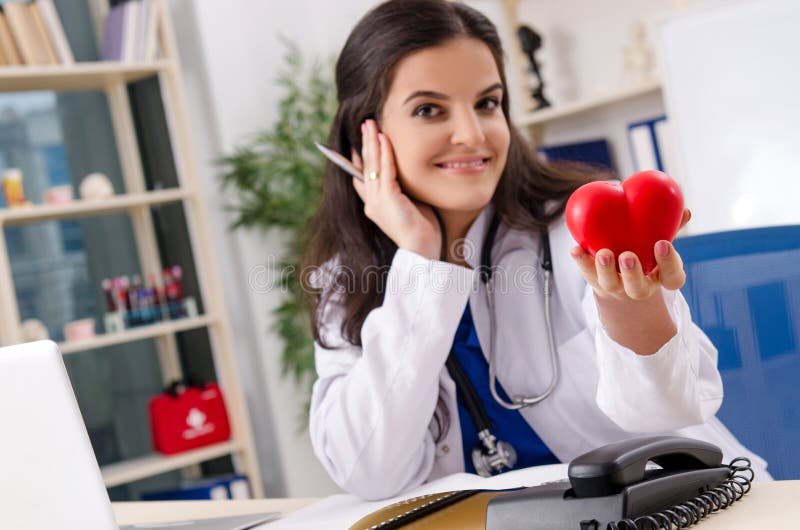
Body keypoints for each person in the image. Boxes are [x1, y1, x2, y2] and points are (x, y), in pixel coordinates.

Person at [300, 0, 767, 501]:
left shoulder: (578, 227)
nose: (473, 134)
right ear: (366, 137)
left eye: (487, 103)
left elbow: (667, 414)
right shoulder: (345, 280)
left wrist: (632, 308)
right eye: (429, 109)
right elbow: (368, 471)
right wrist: (420, 260)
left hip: (663, 512)